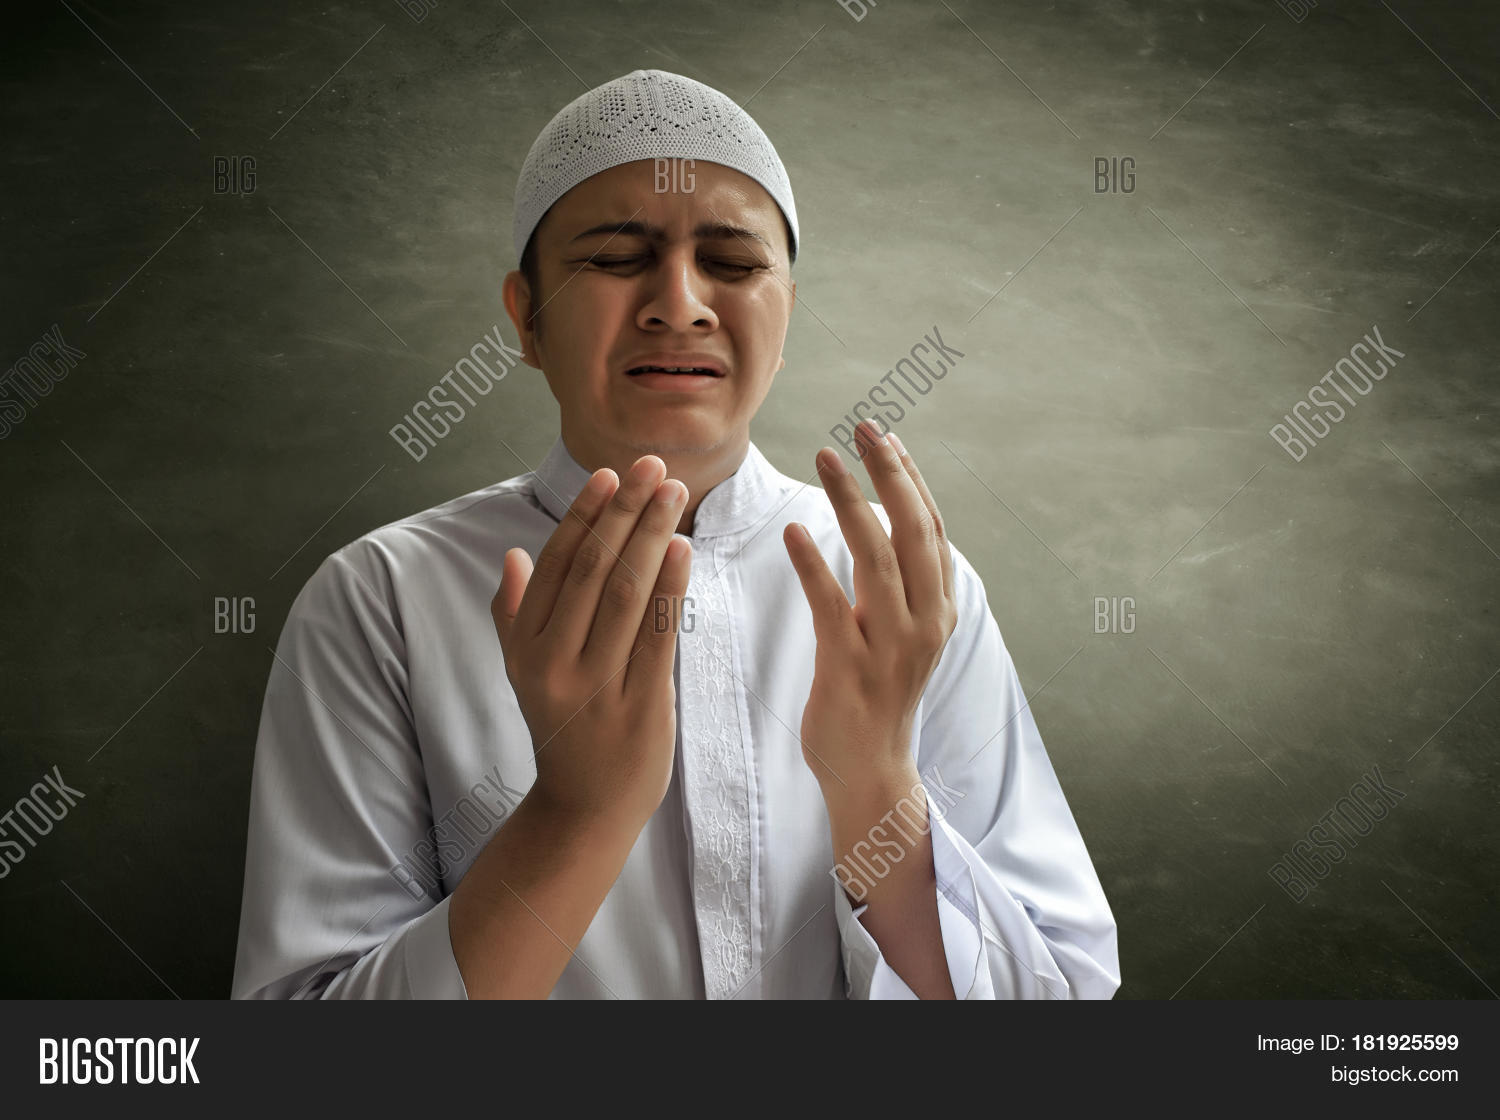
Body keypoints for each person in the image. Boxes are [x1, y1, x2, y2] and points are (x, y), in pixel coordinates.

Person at [231, 68, 1119, 999]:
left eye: (733, 264)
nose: (681, 303)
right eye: (616, 258)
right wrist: (576, 814)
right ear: (525, 320)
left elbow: (1060, 999)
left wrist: (876, 786)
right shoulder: (380, 600)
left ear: (786, 314)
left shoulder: (903, 594)